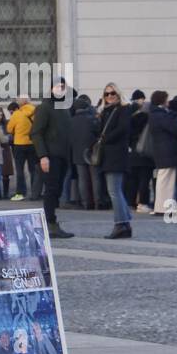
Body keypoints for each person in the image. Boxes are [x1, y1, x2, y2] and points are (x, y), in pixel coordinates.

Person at [30, 80, 75, 239]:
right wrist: (43, 156)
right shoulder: (44, 107)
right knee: (50, 190)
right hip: (50, 156)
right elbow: (36, 133)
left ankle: (52, 223)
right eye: (57, 86)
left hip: (63, 156)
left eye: (63, 87)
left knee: (56, 190)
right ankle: (50, 224)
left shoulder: (64, 108)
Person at [94, 83, 134, 239]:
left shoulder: (123, 109)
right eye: (107, 94)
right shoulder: (105, 111)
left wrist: (104, 139)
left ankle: (120, 224)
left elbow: (123, 130)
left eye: (113, 93)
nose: (110, 96)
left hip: (116, 155)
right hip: (109, 155)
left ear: (118, 94)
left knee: (114, 191)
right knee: (116, 191)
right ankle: (125, 223)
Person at [147, 90, 177, 215]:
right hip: (167, 150)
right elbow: (174, 128)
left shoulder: (154, 114)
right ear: (162, 100)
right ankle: (164, 208)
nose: (168, 102)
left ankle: (161, 206)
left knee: (163, 180)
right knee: (167, 181)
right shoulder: (160, 115)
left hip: (161, 150)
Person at [67, 95, 96, 210]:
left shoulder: (71, 121)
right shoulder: (92, 119)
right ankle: (97, 201)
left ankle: (85, 203)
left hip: (77, 153)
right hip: (92, 152)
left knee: (82, 179)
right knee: (95, 178)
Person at [7, 96, 37, 200]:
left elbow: (9, 129)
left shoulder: (17, 114)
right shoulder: (35, 112)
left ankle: (20, 193)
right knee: (33, 170)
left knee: (20, 170)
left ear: (20, 104)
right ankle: (35, 193)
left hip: (19, 144)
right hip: (33, 144)